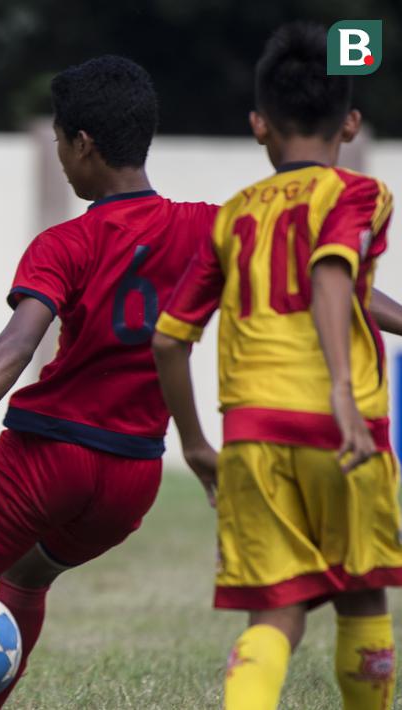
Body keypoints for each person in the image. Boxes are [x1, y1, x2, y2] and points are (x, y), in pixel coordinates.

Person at [0, 55, 221, 709]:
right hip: (133, 474)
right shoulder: (209, 227)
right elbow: (321, 273)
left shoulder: (67, 242)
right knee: (26, 575)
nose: (63, 161)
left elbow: (17, 343)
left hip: (49, 454)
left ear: (82, 143)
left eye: (62, 143)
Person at [152, 22, 401, 710]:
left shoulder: (232, 216)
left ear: (259, 124)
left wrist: (194, 443)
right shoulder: (358, 194)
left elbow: (169, 340)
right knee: (362, 598)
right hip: (343, 428)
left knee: (273, 615)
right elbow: (330, 275)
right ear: (350, 123)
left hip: (253, 435)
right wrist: (341, 394)